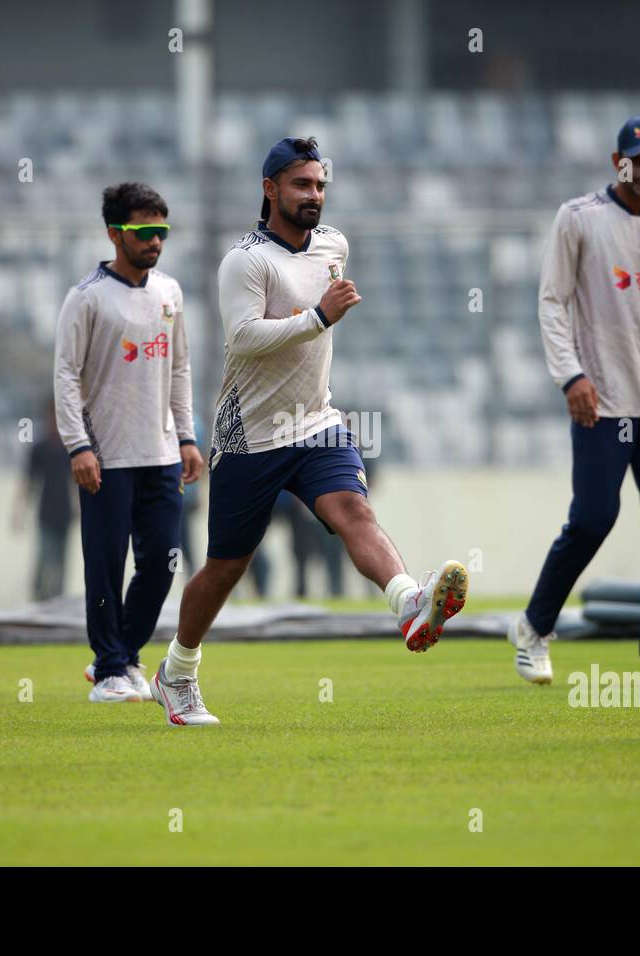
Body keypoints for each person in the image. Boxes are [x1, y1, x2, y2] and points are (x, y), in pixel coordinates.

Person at [148, 137, 470, 726]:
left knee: (353, 509)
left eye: (320, 185)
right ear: (270, 189)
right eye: (302, 185)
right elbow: (242, 337)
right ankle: (177, 672)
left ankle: (409, 602)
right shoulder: (245, 260)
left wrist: (320, 316)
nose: (314, 195)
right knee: (226, 565)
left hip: (316, 420)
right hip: (250, 432)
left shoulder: (333, 245)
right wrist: (319, 316)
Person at [515, 118, 640, 687]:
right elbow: (552, 302)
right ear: (616, 161)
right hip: (601, 401)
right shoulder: (579, 217)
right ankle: (533, 629)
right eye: (637, 160)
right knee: (594, 519)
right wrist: (570, 376)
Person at [53, 182, 204, 704]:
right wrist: (78, 446)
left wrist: (186, 436)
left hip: (161, 454)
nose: (156, 241)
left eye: (162, 230)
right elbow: (66, 376)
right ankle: (113, 666)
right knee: (105, 562)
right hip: (106, 456)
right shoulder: (87, 298)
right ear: (115, 233)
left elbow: (179, 368)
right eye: (145, 231)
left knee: (163, 561)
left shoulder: (170, 292)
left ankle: (119, 657)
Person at [14, 402, 74, 601]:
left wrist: (82, 510)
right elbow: (29, 482)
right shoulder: (39, 449)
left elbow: (76, 482)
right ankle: (39, 597)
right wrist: (20, 512)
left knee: (61, 563)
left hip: (65, 514)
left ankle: (57, 601)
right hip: (45, 513)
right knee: (44, 559)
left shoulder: (70, 449)